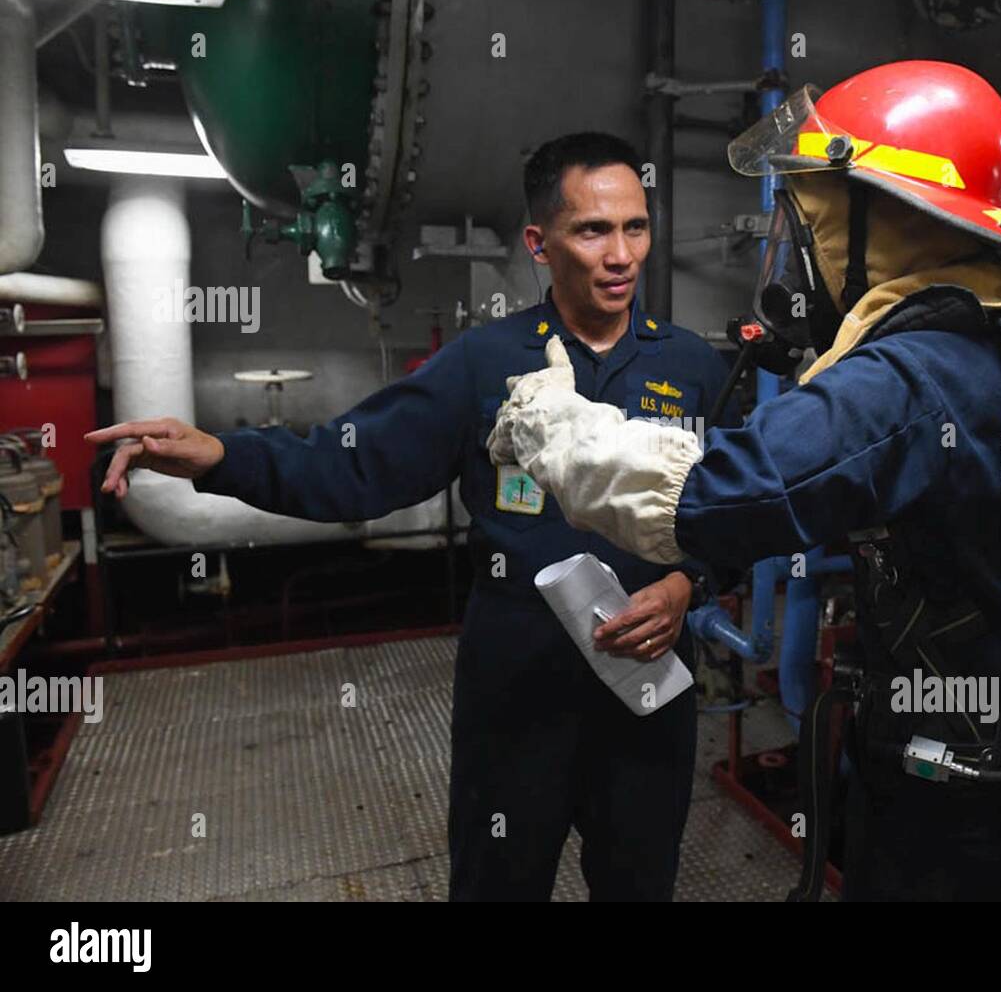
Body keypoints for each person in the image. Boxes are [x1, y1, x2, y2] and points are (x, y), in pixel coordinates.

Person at [489, 62, 1001, 901]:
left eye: (809, 213)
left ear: (877, 214)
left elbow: (718, 498)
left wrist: (555, 426)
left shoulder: (911, 375)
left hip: (957, 802)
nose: (796, 245)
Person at [85, 132, 736, 902]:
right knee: (498, 881)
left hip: (647, 686)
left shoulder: (692, 366)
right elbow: (352, 465)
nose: (621, 253)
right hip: (519, 683)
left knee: (639, 885)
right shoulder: (485, 363)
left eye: (635, 227)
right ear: (539, 242)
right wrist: (222, 457)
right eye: (592, 230)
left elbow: (739, 512)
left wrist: (688, 587)